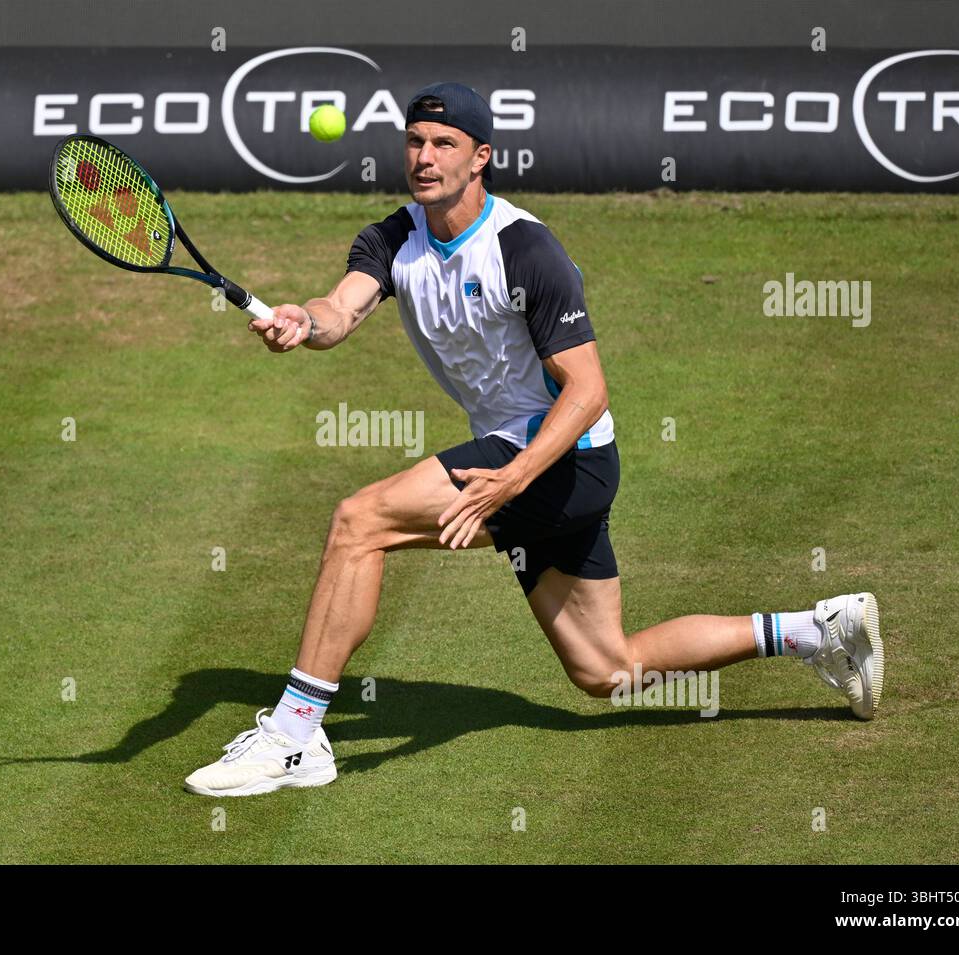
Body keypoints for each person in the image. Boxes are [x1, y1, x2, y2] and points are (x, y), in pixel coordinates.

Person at [184, 82, 883, 797]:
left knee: (359, 521)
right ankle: (814, 629)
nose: (424, 158)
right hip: (534, 463)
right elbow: (343, 308)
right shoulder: (393, 237)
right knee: (606, 668)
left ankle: (296, 736)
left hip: (560, 458)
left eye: (444, 145)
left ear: (480, 157)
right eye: (416, 143)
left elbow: (588, 390)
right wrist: (305, 321)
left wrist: (513, 478)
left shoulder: (525, 249)